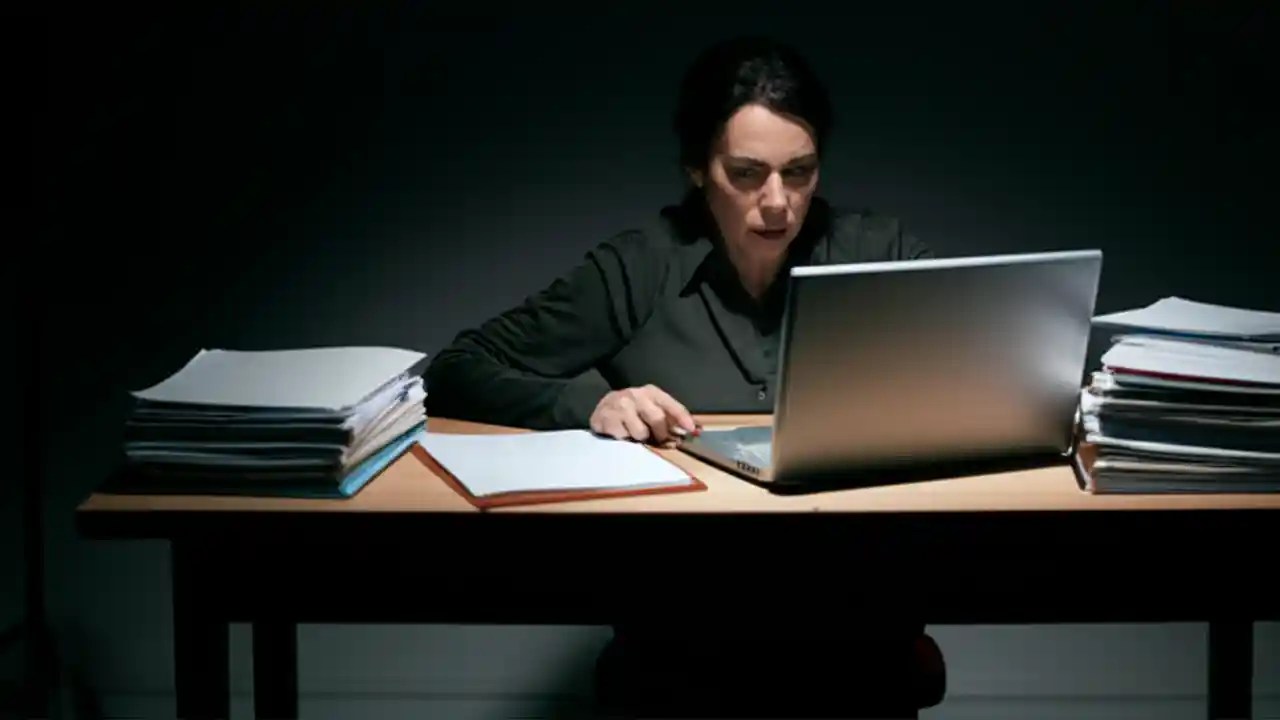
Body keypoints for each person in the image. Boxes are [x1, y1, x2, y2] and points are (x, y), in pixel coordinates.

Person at [426, 35, 946, 718]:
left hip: (850, 610)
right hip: (687, 619)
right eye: (747, 173)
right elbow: (456, 370)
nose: (778, 202)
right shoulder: (642, 266)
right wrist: (591, 404)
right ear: (697, 169)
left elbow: (979, 367)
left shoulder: (878, 253)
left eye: (800, 171)